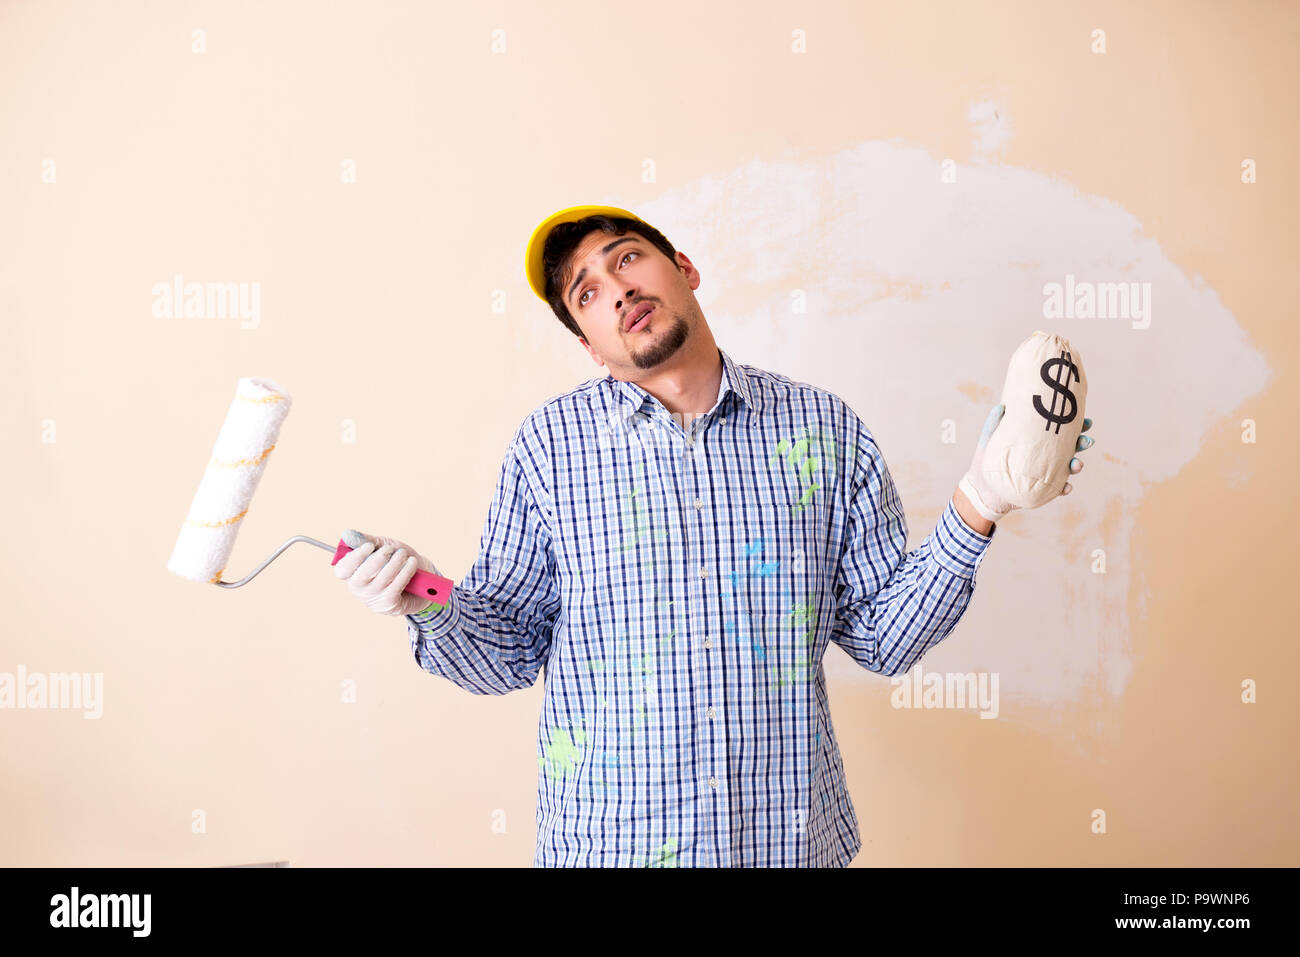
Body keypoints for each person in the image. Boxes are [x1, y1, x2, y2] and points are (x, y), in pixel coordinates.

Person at [334, 204, 1096, 867]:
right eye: (587, 293)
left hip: (788, 846)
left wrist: (981, 500)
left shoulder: (823, 430)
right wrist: (424, 602)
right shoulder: (548, 448)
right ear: (590, 346)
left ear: (684, 268)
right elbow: (506, 653)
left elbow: (882, 640)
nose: (619, 289)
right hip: (610, 848)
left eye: (627, 258)